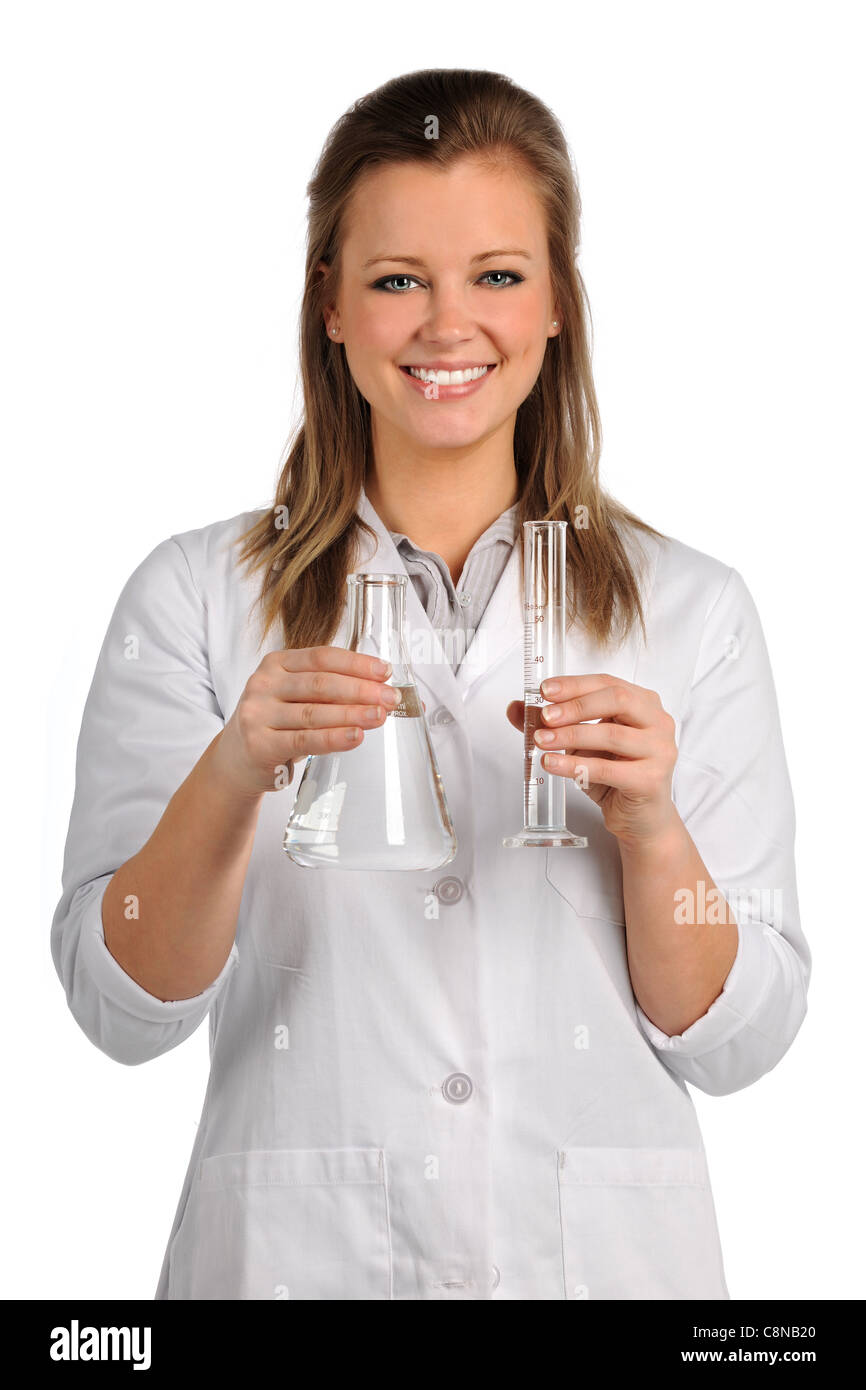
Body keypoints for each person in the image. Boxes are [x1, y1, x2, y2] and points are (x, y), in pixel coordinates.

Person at [50, 67, 810, 1301]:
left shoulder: (692, 610)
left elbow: (744, 1039)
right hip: (297, 1262)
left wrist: (652, 832)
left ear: (557, 300)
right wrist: (237, 769)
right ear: (332, 308)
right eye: (397, 279)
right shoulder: (193, 596)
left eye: (497, 276)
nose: (447, 326)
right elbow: (120, 1001)